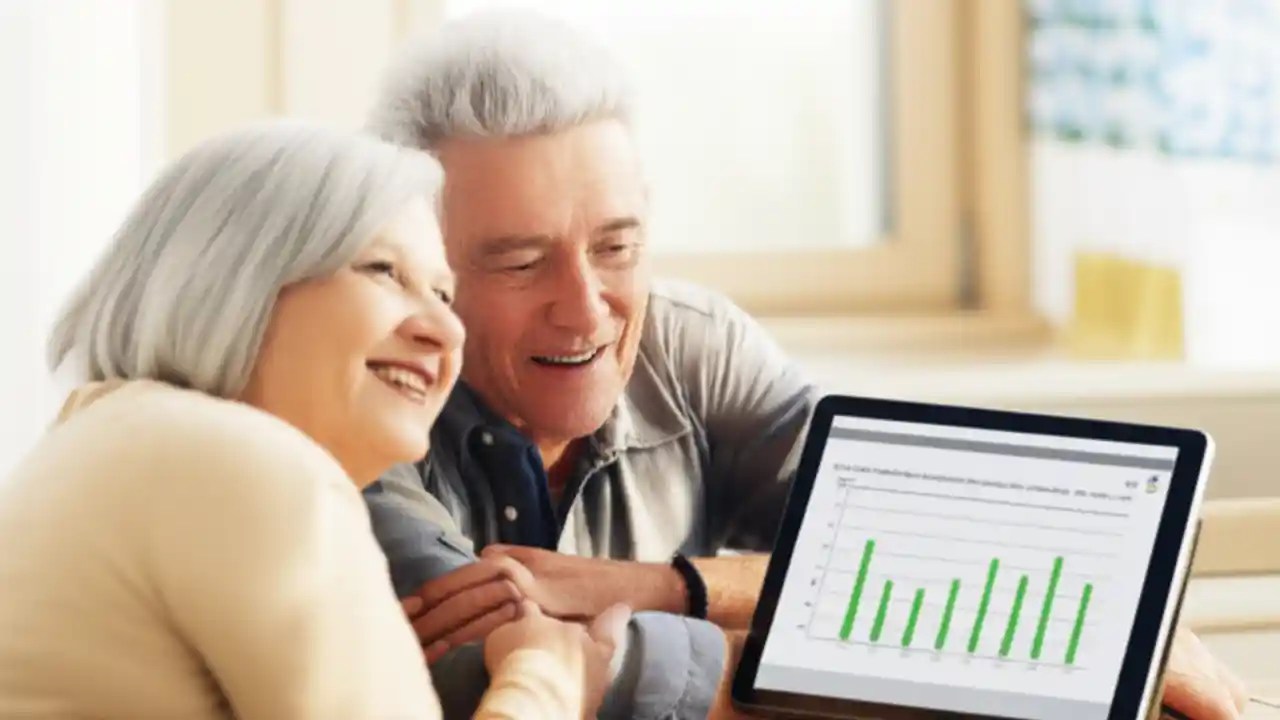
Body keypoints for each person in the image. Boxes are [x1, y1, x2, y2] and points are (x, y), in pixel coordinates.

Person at [363, 10, 1249, 720]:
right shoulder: (360, 425)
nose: (588, 306)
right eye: (521, 262)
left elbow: (924, 548)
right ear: (421, 268)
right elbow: (516, 674)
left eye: (618, 245)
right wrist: (1008, 658)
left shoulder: (693, 345)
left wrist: (657, 588)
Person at [0, 121, 626, 719]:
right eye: (383, 270)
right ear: (234, 278)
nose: (442, 329)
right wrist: (551, 681)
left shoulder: (105, 438)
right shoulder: (248, 462)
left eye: (442, 294)